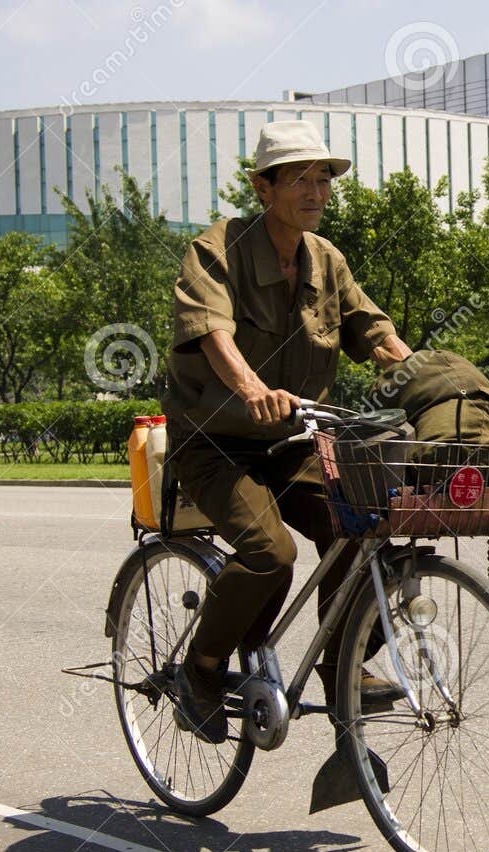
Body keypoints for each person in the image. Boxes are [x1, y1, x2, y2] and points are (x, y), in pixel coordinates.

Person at [162, 120, 413, 743]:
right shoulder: (215, 250)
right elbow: (214, 332)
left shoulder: (327, 259)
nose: (316, 190)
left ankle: (342, 668)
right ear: (262, 187)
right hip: (217, 442)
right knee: (272, 555)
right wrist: (251, 388)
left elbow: (374, 334)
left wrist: (425, 374)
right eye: (300, 178)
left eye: (324, 178)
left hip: (296, 441)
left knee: (365, 530)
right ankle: (201, 669)